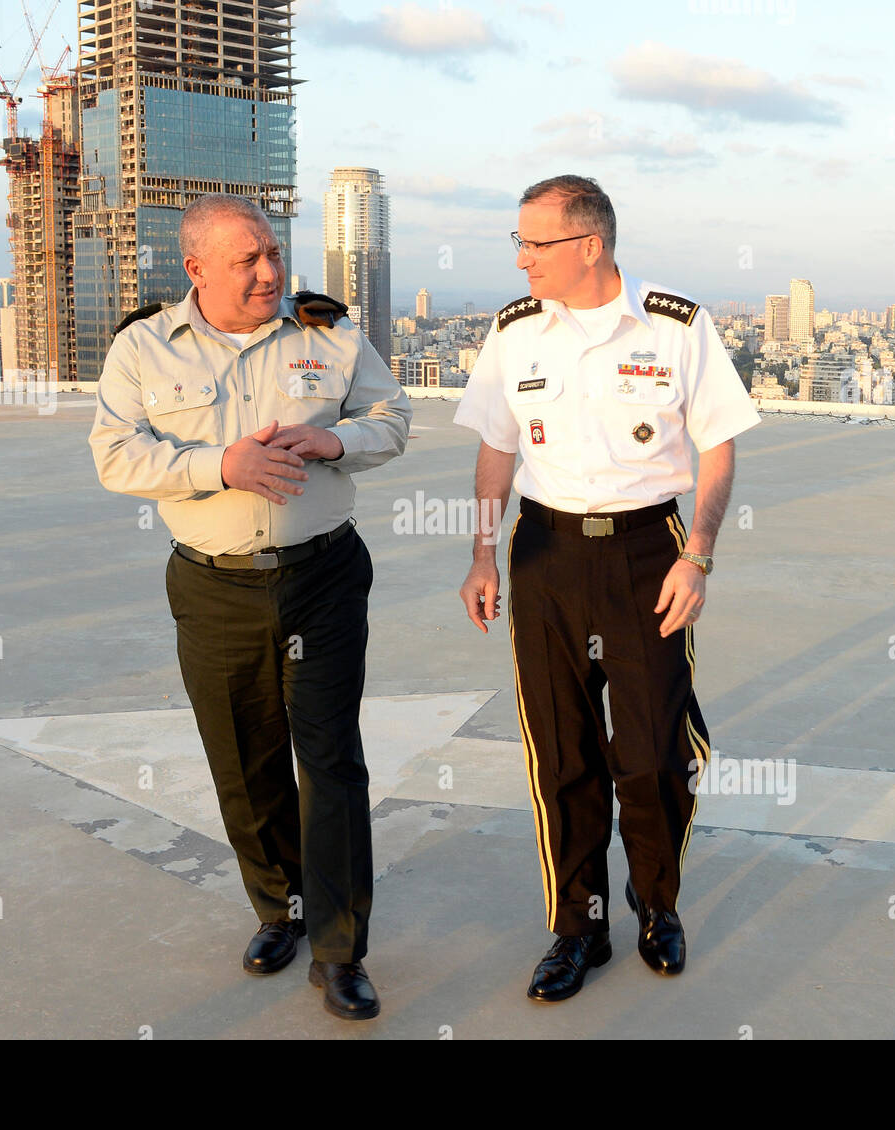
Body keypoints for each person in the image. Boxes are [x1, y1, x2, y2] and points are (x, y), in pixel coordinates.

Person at [88, 194, 411, 1021]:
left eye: (271, 253)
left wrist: (338, 440)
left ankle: (340, 949)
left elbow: (392, 417)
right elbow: (117, 455)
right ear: (195, 269)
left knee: (330, 760)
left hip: (324, 577)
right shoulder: (143, 346)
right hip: (214, 585)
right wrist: (219, 465)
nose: (270, 272)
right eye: (247, 261)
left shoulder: (327, 333)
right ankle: (282, 910)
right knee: (244, 757)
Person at [454, 174, 759, 1002]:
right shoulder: (513, 333)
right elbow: (494, 447)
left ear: (589, 245)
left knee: (655, 751)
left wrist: (698, 554)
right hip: (545, 552)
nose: (521, 260)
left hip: (645, 551)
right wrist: (482, 554)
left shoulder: (677, 325)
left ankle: (657, 903)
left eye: (534, 243)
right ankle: (576, 927)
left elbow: (719, 446)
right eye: (516, 242)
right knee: (561, 749)